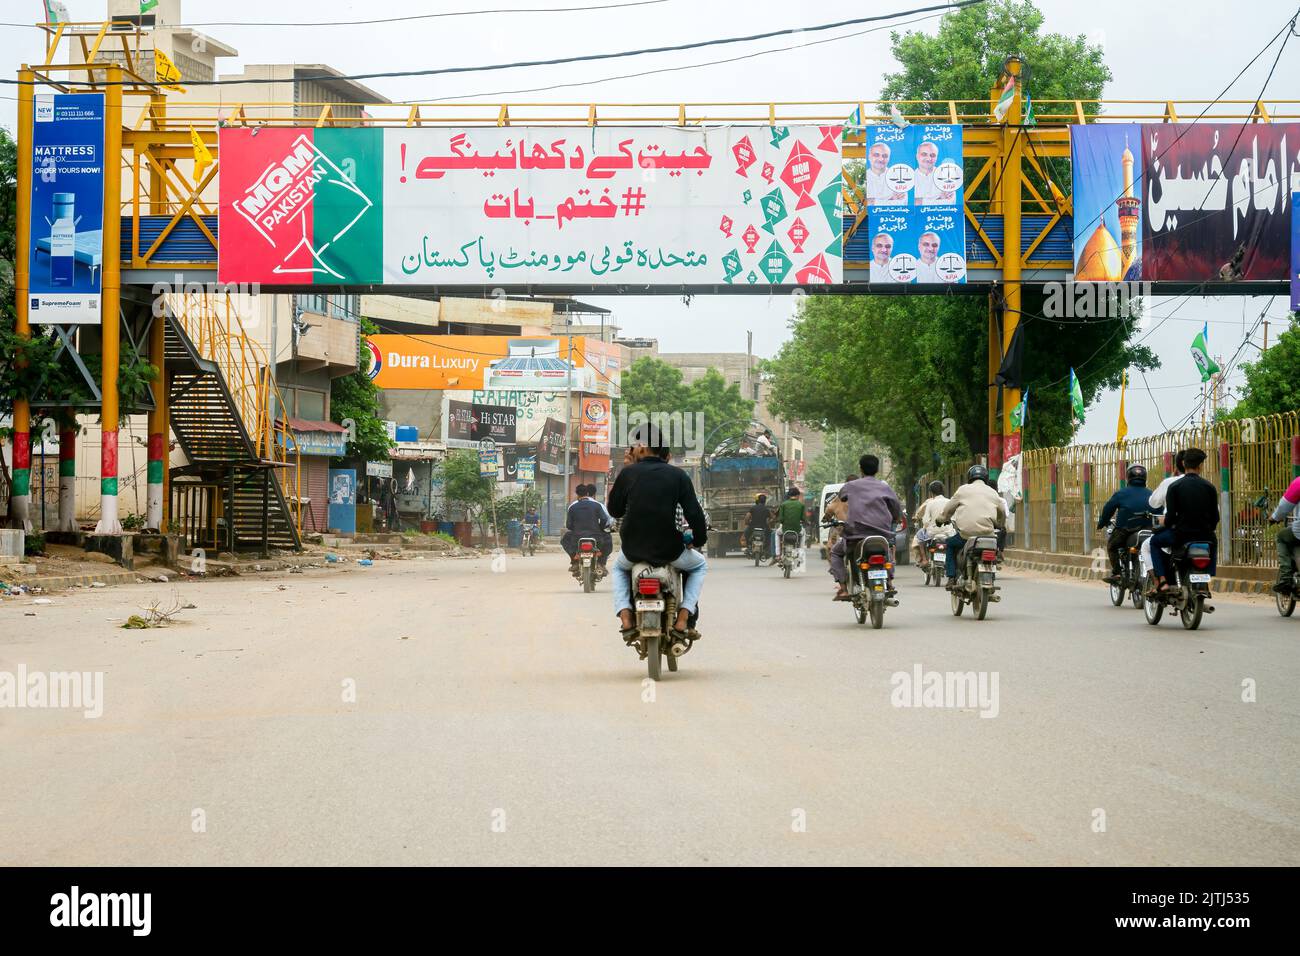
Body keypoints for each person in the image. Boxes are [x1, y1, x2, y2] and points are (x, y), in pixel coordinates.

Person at [607, 425, 709, 641]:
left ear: (643, 447)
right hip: (670, 550)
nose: (631, 450)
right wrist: (698, 540)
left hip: (633, 551)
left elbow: (614, 510)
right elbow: (694, 514)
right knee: (699, 564)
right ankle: (683, 618)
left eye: (634, 445)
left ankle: (626, 617)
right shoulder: (678, 476)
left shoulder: (627, 474)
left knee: (617, 569)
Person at [828, 454, 903, 601]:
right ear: (877, 469)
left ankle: (843, 589)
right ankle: (889, 582)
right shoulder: (885, 487)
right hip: (882, 535)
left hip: (856, 535)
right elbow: (896, 509)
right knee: (887, 554)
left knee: (836, 553)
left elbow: (841, 498)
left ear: (860, 469)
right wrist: (895, 518)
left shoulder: (850, 486)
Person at [1148, 447, 1219, 594]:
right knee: (1214, 541)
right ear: (1200, 466)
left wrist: (1165, 523)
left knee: (1154, 542)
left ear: (1183, 465)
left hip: (1180, 535)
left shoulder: (1174, 487)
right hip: (1205, 535)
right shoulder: (1210, 487)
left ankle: (1162, 581)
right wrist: (1207, 529)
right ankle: (1209, 574)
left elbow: (1171, 518)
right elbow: (1215, 518)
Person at [938, 464, 1007, 588]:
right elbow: (1002, 512)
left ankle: (951, 577)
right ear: (985, 478)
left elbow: (948, 510)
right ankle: (991, 577)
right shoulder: (992, 492)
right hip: (987, 536)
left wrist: (941, 519)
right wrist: (999, 524)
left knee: (950, 544)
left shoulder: (963, 490)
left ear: (969, 477)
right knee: (993, 551)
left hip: (966, 536)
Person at [1096, 465, 1157, 585]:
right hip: (1150, 530)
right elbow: (1160, 510)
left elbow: (1108, 509)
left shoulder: (1121, 493)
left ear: (1128, 477)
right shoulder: (1152, 494)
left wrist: (1102, 522)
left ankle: (1117, 573)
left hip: (1126, 530)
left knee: (1112, 546)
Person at [1140, 450, 1187, 579]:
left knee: (1149, 544)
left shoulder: (1169, 483)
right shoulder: (1205, 484)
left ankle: (1160, 581)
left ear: (1178, 466)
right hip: (1202, 533)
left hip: (1177, 532)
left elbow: (1153, 503)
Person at [562, 484, 613, 570]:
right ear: (588, 493)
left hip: (577, 539)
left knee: (564, 539)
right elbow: (605, 519)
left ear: (577, 494)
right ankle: (601, 563)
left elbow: (568, 525)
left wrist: (575, 529)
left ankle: (574, 561)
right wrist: (600, 528)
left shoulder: (572, 507)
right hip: (596, 537)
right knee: (608, 540)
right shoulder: (597, 505)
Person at [1268, 475, 1300, 594]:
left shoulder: (1298, 483)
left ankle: (1286, 578)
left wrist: (1274, 518)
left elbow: (1283, 507)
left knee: (1281, 537)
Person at [910, 480, 950, 568]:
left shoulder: (930, 502)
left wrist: (926, 525)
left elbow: (925, 520)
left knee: (919, 537)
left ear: (931, 492)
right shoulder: (949, 501)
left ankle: (924, 559)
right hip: (948, 532)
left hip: (932, 533)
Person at [912, 140, 956, 204]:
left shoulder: (946, 177)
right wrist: (939, 199)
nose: (928, 158)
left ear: (937, 157)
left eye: (932, 155)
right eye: (924, 154)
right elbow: (904, 202)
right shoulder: (909, 177)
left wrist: (919, 201)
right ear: (917, 156)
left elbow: (950, 202)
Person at [864, 141, 907, 205]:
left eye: (885, 156)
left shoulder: (898, 177)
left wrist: (874, 201)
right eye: (876, 155)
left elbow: (901, 203)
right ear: (869, 157)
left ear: (889, 158)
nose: (881, 159)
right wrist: (890, 199)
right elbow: (863, 203)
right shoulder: (864, 176)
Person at [776, 487, 806, 558]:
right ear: (797, 495)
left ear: (789, 495)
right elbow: (803, 518)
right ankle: (800, 552)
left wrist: (784, 522)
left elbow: (781, 519)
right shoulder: (801, 505)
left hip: (785, 530)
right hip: (797, 530)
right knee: (803, 534)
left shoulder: (783, 504)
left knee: (777, 534)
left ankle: (777, 554)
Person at [744, 494, 773, 559]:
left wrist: (747, 523)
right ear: (765, 501)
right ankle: (766, 549)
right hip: (764, 527)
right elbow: (773, 518)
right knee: (769, 536)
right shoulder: (767, 509)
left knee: (746, 533)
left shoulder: (753, 508)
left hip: (752, 527)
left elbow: (747, 517)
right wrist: (769, 522)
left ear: (757, 500)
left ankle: (748, 546)